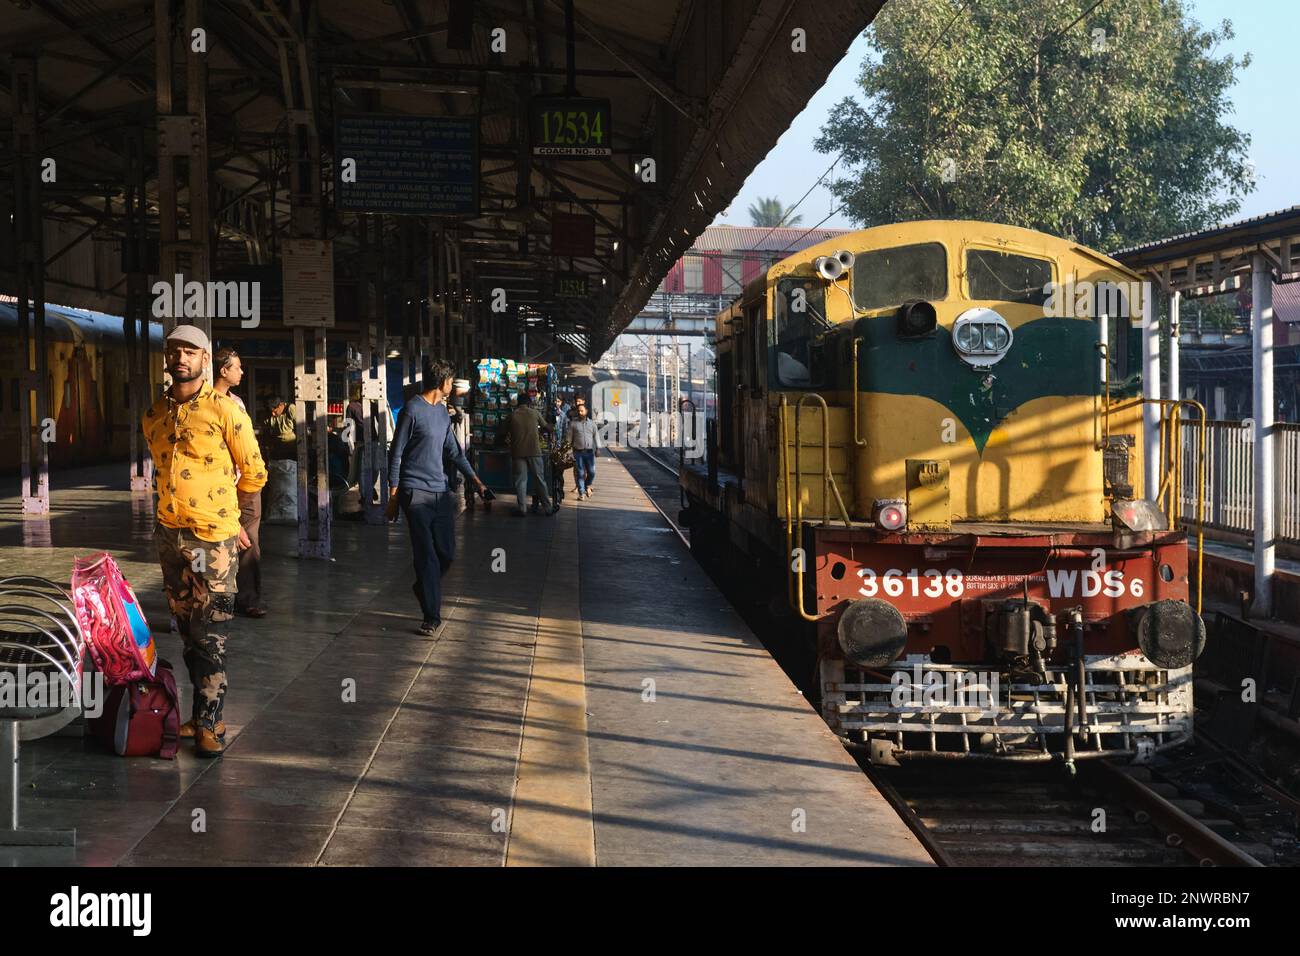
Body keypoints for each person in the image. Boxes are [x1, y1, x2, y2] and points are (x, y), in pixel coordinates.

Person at [142, 324, 267, 757]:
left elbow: (253, 471)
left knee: (212, 631)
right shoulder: (155, 414)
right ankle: (198, 715)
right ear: (166, 358)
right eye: (174, 351)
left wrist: (242, 524)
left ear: (204, 359)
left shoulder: (226, 411)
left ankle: (211, 722)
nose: (181, 359)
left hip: (212, 540)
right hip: (170, 537)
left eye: (190, 352)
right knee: (187, 629)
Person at [386, 358, 487, 636]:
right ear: (442, 382)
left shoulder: (442, 413)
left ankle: (423, 587)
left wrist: (476, 481)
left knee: (447, 553)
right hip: (414, 493)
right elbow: (395, 455)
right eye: (451, 381)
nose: (452, 386)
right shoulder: (412, 410)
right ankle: (431, 616)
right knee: (427, 556)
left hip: (441, 493)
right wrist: (394, 496)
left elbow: (454, 452)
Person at [211, 347, 267, 620]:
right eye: (238, 367)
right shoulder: (203, 403)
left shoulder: (238, 404)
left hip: (242, 484)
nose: (242, 372)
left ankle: (248, 599)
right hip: (214, 487)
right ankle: (218, 600)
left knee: (248, 542)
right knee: (216, 542)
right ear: (224, 371)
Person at [507, 391, 556, 517]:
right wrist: (552, 426)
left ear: (518, 403)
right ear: (529, 403)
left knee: (520, 481)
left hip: (518, 452)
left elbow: (503, 431)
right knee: (539, 480)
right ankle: (548, 508)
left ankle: (522, 509)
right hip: (534, 451)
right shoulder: (535, 413)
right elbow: (546, 427)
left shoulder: (512, 415)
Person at [566, 400, 600, 499]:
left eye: (582, 411)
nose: (580, 413)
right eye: (579, 411)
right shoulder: (573, 424)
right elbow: (568, 439)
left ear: (586, 411)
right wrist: (569, 452)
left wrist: (598, 448)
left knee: (592, 472)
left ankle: (586, 485)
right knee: (580, 473)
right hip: (578, 453)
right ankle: (581, 493)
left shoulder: (592, 424)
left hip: (589, 453)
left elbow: (596, 436)